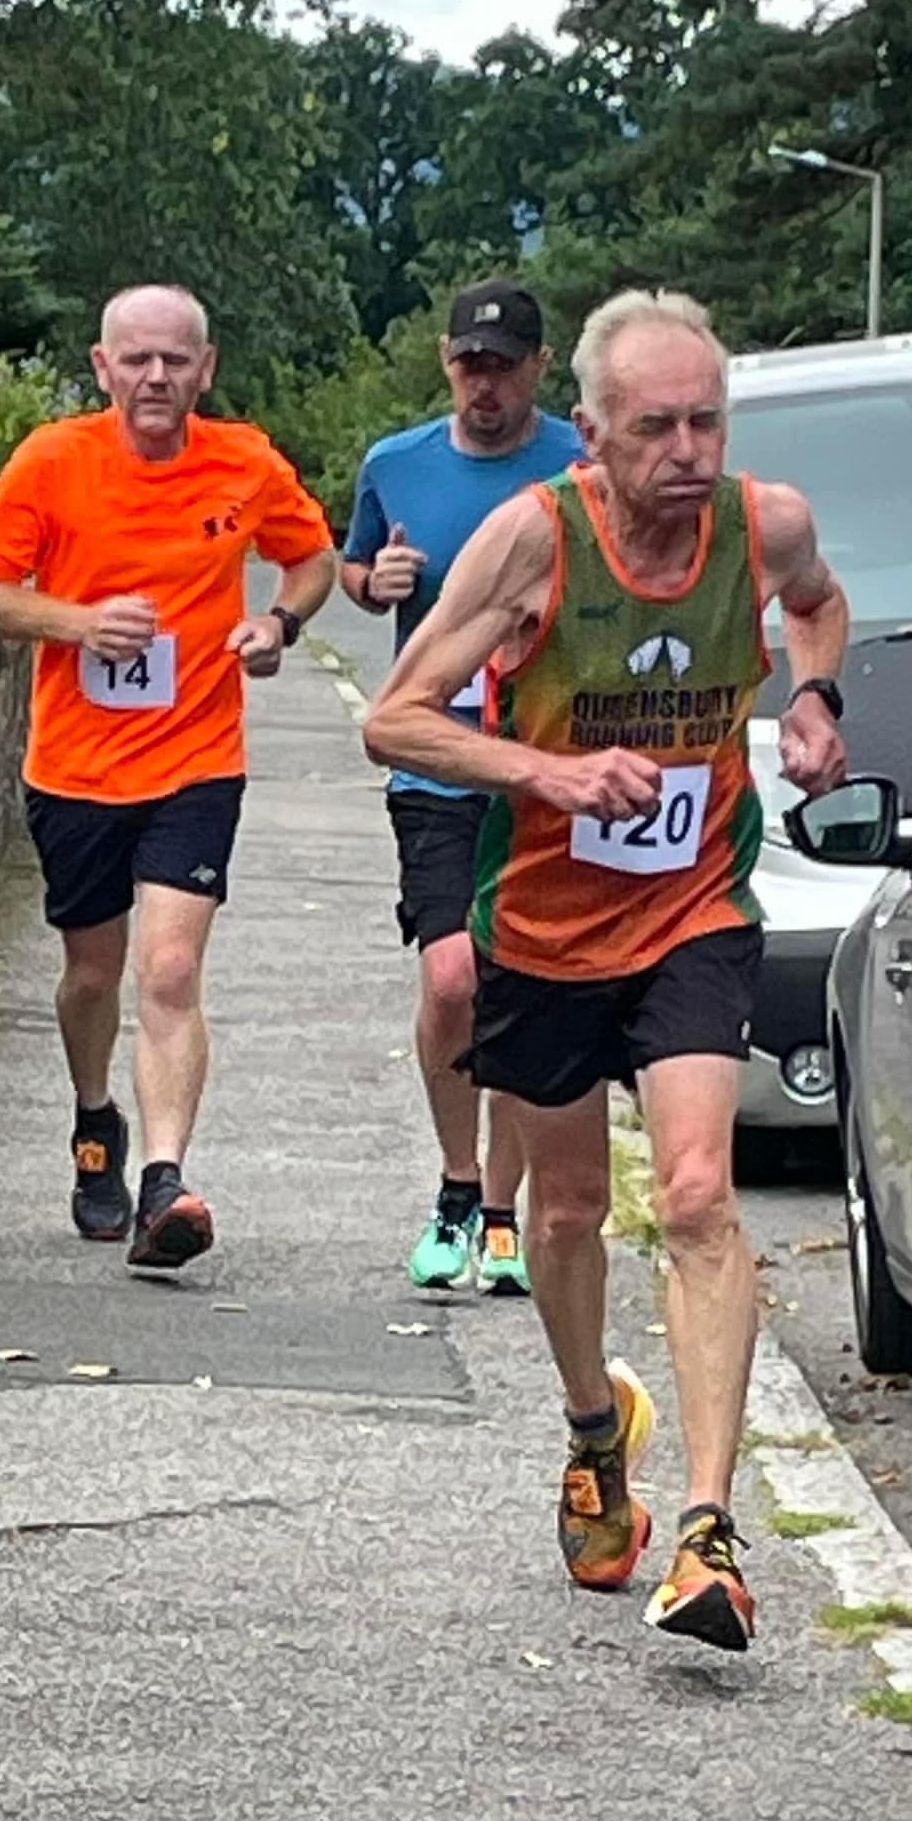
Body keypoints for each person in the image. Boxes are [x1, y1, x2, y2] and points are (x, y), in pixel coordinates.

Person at [363, 288, 850, 1650]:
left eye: (706, 421)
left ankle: (707, 1533)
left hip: (696, 908)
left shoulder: (766, 526)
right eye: (656, 427)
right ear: (592, 432)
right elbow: (395, 720)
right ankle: (596, 1430)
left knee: (697, 1192)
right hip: (543, 925)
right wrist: (548, 773)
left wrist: (814, 699)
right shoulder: (533, 545)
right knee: (568, 1213)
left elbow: (817, 609)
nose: (687, 451)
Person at [0, 284, 336, 1273]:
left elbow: (312, 558)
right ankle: (96, 1126)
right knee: (92, 973)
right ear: (103, 367)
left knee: (168, 970)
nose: (156, 377)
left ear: (205, 369)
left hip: (197, 760)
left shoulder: (245, 460)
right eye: (137, 359)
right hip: (76, 767)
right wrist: (78, 624)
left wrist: (277, 624)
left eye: (175, 360)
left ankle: (166, 1181)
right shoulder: (54, 460)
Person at [342, 279, 585, 1297]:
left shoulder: (580, 465)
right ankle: (456, 1182)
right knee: (452, 979)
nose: (485, 384)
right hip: (437, 759)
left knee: (519, 985)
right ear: (447, 363)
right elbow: (354, 569)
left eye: (504, 365)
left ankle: (499, 1213)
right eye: (467, 364)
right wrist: (376, 583)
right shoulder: (396, 464)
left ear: (538, 365)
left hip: (543, 763)